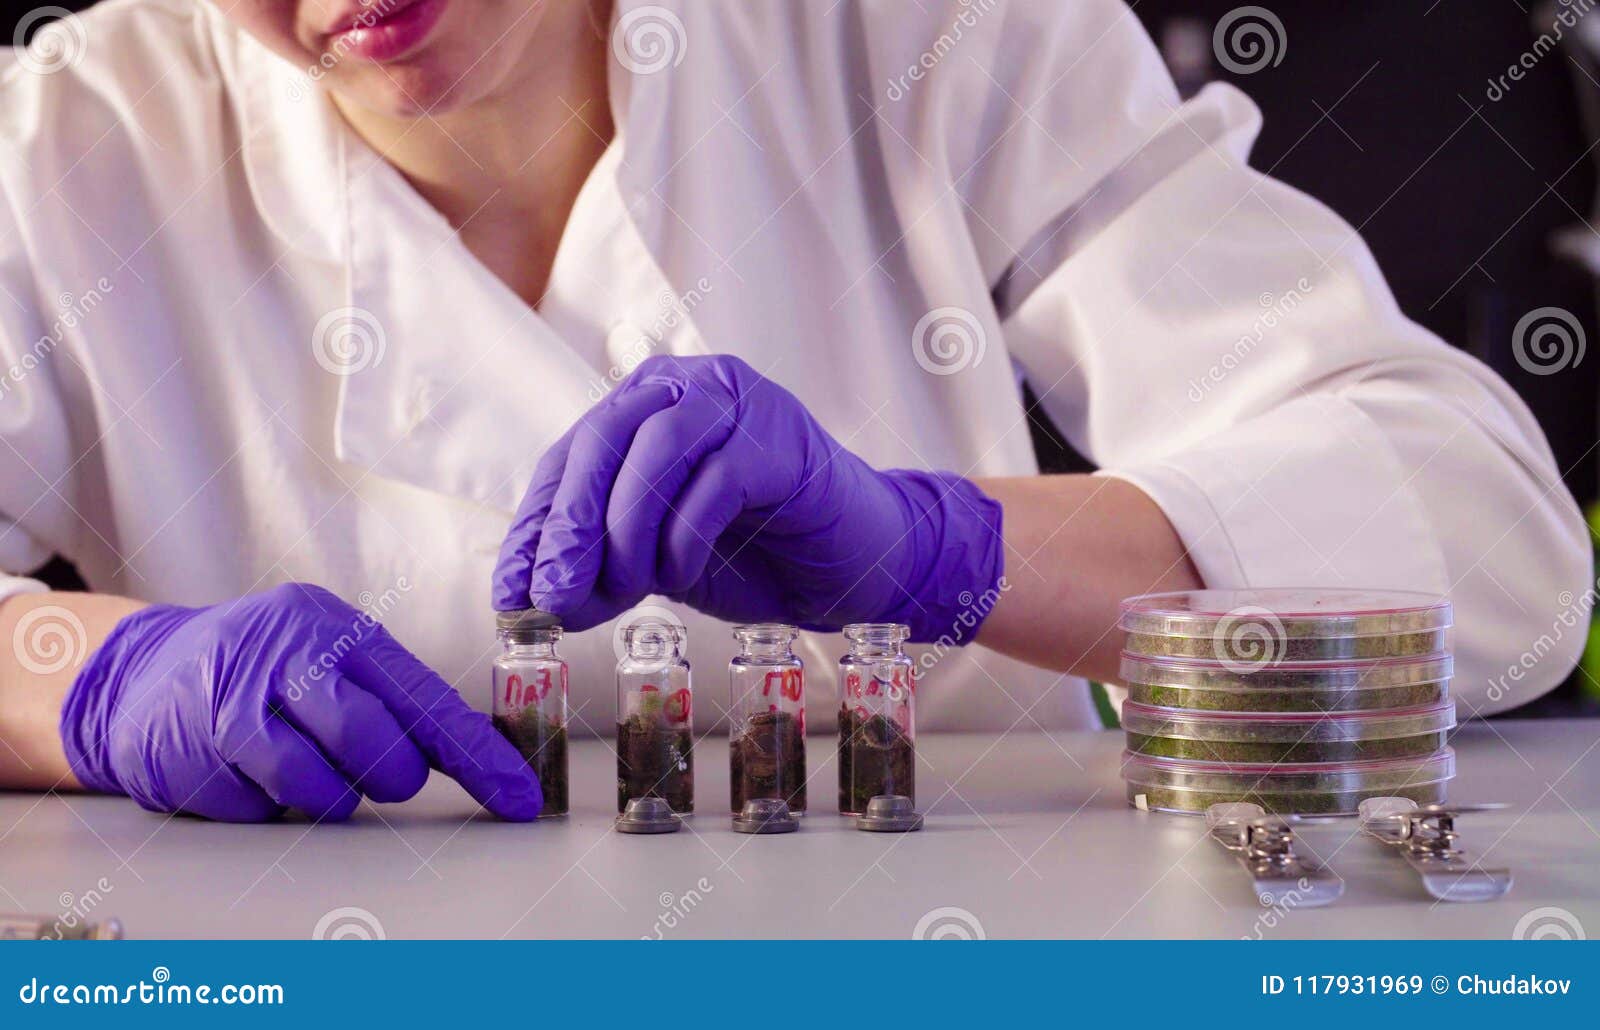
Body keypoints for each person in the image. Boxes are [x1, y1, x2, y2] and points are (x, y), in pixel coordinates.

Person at [0, 0, 1587, 822]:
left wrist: (948, 551)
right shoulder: (71, 145)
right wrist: (87, 683)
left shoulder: (917, 30)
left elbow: (1490, 547)